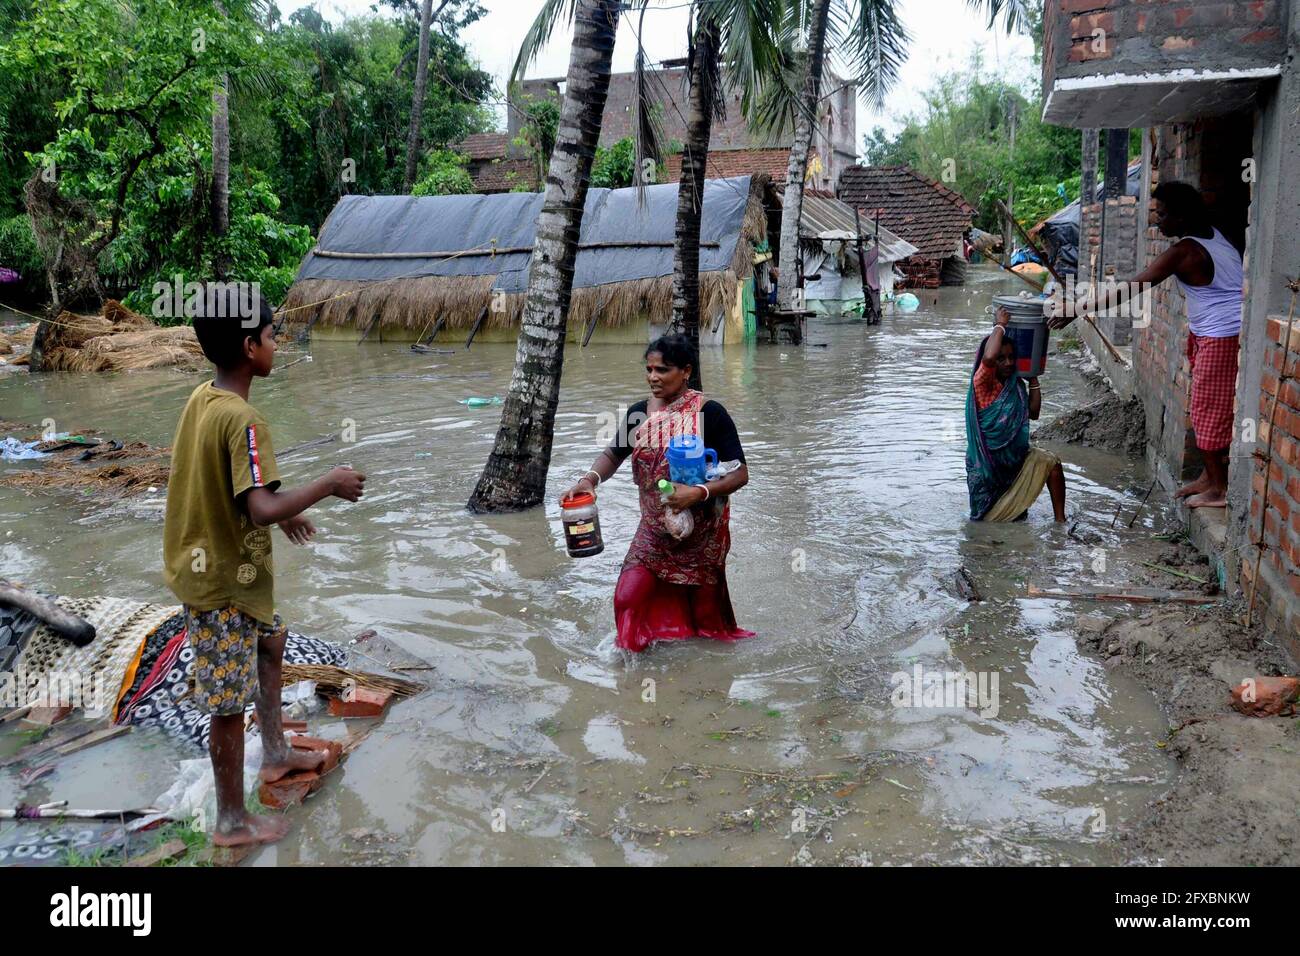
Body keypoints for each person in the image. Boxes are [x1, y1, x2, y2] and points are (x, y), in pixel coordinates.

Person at [162, 286, 366, 847]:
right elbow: (258, 503)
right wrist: (327, 484)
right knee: (227, 705)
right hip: (221, 585)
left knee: (272, 641)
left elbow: (233, 492)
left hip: (226, 571)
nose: (279, 344)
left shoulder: (203, 399)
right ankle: (231, 820)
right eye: (274, 336)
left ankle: (275, 750)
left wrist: (279, 519)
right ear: (251, 346)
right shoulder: (246, 420)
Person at [1050, 181, 1242, 508]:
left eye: (1163, 215)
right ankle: (1209, 477)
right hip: (1215, 333)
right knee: (1204, 406)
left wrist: (1076, 310)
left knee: (1209, 410)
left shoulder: (1184, 252)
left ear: (1182, 217)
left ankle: (1220, 490)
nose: (1157, 222)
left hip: (1221, 336)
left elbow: (1132, 288)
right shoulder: (1212, 235)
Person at [562, 334, 754, 653]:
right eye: (649, 369)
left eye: (662, 370)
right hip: (654, 530)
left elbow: (740, 473)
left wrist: (698, 492)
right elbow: (613, 454)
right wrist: (590, 479)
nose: (653, 377)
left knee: (707, 625)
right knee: (627, 597)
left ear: (686, 371)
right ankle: (630, 673)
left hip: (702, 536)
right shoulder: (640, 414)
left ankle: (702, 683)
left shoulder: (710, 414)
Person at [966, 307, 1067, 522]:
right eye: (1002, 359)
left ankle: (1061, 523)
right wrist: (1000, 324)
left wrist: (1033, 377)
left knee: (1052, 464)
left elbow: (1033, 413)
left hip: (1014, 461)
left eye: (1012, 357)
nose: (1009, 363)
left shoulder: (1015, 385)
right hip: (988, 467)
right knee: (987, 525)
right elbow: (990, 357)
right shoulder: (983, 383)